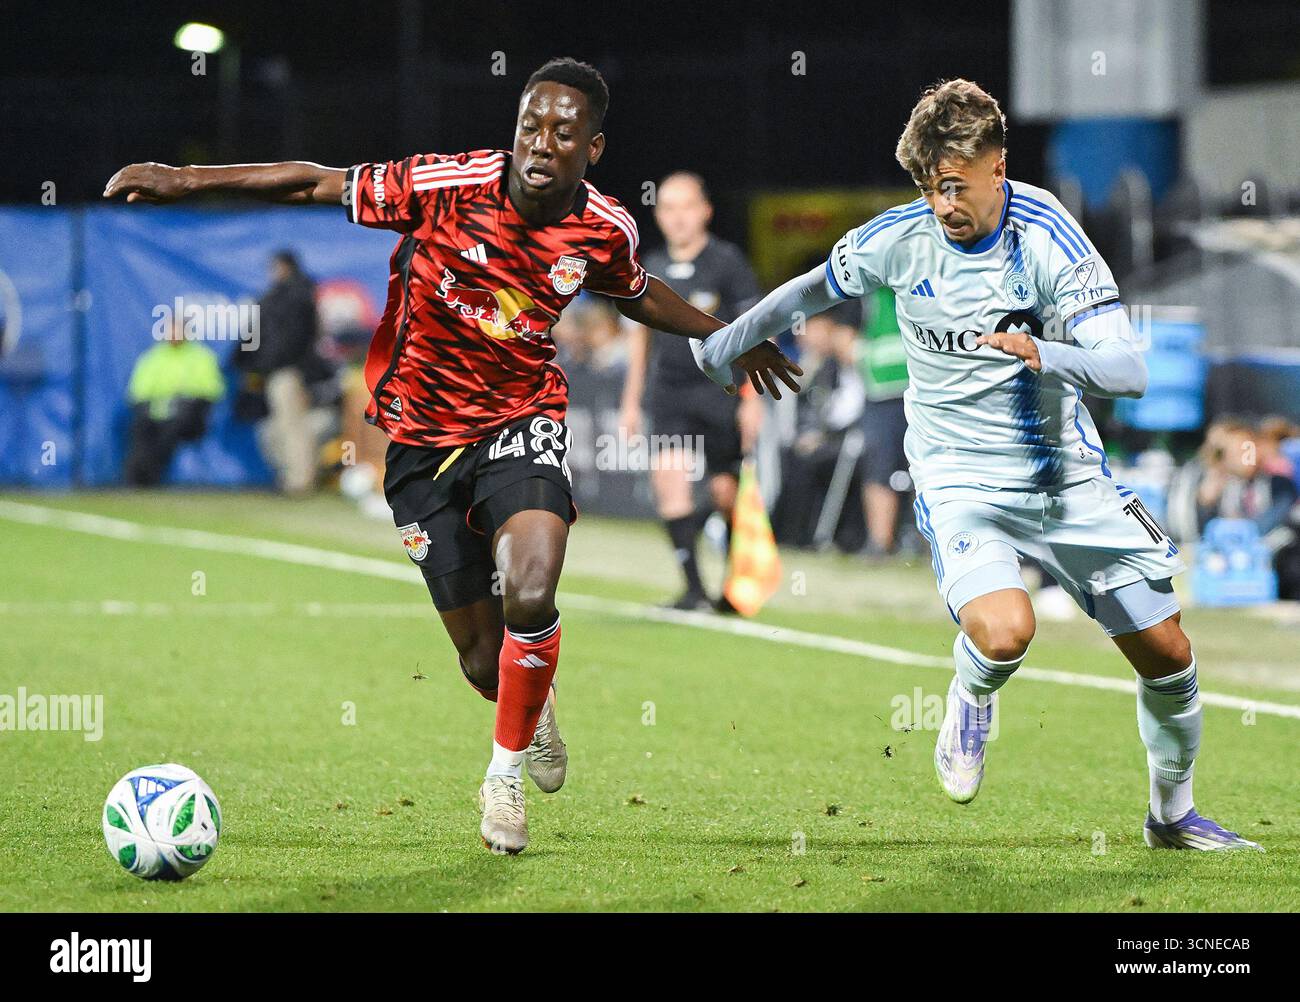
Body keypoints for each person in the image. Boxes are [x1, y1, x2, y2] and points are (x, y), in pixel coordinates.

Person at [104, 57, 799, 856]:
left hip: (521, 415)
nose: (541, 143)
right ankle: (531, 710)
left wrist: (725, 334)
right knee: (480, 658)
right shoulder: (444, 184)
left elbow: (633, 287)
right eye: (530, 125)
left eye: (563, 132)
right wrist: (184, 180)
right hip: (420, 439)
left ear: (594, 149)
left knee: (532, 591)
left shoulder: (603, 227)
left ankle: (500, 779)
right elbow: (313, 183)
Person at [693, 79, 1260, 851]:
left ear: (999, 165)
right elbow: (804, 295)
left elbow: (1129, 368)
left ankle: (1171, 816)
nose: (942, 204)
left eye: (955, 185)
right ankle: (970, 697)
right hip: (960, 478)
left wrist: (1046, 352)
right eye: (930, 187)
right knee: (1005, 630)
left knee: (1168, 654)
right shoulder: (901, 237)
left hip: (1064, 479)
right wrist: (722, 344)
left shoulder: (1049, 237)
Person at [619, 172, 764, 610]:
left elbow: (756, 331)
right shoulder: (651, 268)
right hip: (671, 393)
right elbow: (639, 340)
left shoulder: (728, 262)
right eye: (668, 208)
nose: (678, 217)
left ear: (705, 211)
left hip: (721, 392)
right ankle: (693, 589)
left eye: (687, 207)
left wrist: (752, 401)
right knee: (670, 481)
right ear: (658, 215)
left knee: (724, 494)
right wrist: (630, 402)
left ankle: (731, 590)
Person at [238, 250, 324, 495]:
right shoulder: (296, 294)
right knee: (276, 428)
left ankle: (300, 480)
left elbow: (288, 340)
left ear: (284, 267)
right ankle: (291, 476)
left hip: (289, 371)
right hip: (281, 371)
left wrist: (264, 363)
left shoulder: (292, 297)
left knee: (292, 426)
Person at [124, 319, 224, 485]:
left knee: (171, 429)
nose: (174, 335)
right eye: (171, 330)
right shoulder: (153, 357)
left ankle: (151, 476)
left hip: (188, 417)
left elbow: (211, 389)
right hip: (155, 415)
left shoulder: (201, 357)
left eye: (177, 330)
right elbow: (138, 390)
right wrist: (148, 407)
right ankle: (136, 477)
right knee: (141, 428)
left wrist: (186, 400)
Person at [855, 287, 911, 555]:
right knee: (879, 468)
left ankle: (928, 544)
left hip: (921, 387)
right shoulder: (866, 278)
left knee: (929, 469)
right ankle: (879, 545)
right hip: (879, 390)